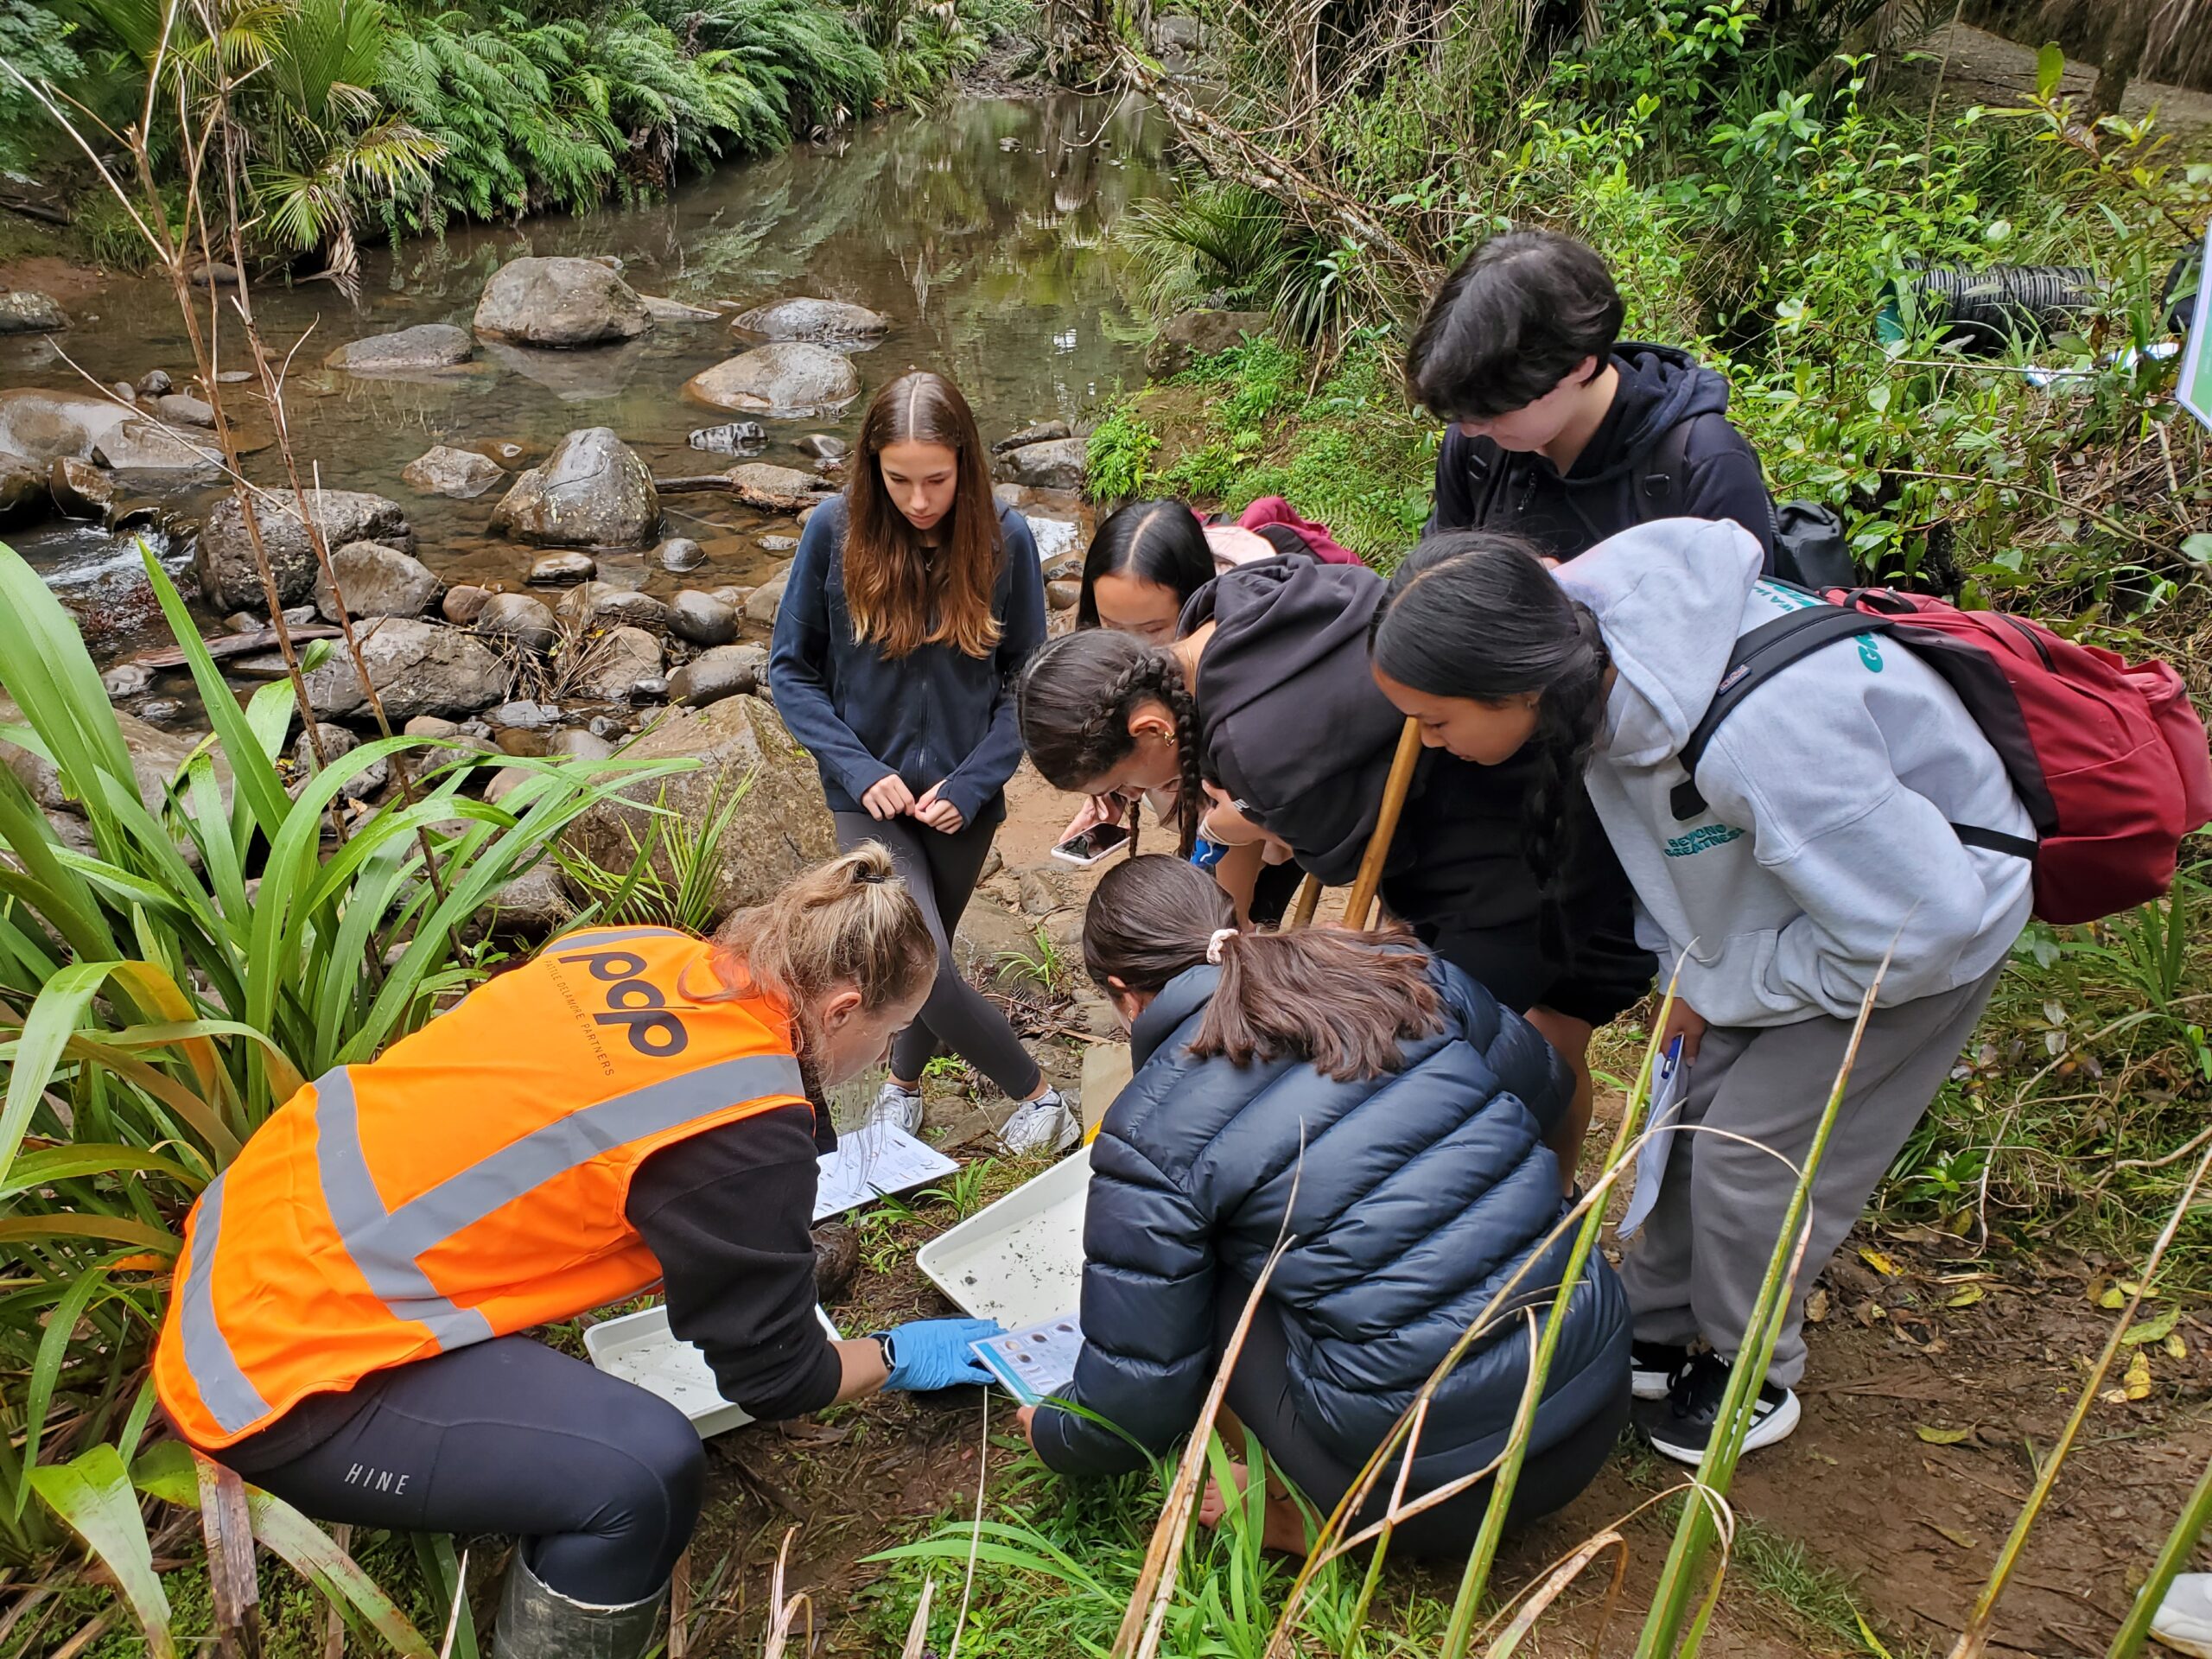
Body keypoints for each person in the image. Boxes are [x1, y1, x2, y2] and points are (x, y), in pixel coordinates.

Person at [153, 847, 1004, 1659]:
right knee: (643, 1479)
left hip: (255, 1233)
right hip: (278, 1377)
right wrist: (894, 1354)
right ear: (842, 1009)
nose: (880, 1060)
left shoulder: (644, 951)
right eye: (891, 1034)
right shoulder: (748, 1125)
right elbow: (778, 1380)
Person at [1368, 522, 2032, 1463]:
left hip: (1914, 940)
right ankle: (1655, 1319)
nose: (1426, 744)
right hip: (1796, 921)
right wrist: (1696, 975)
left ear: (1515, 683)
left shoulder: (1760, 733)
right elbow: (1673, 860)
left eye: (1435, 721)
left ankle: (1752, 1362)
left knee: (1751, 1159)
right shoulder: (1592, 662)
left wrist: (1735, 982)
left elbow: (1918, 932)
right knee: (1683, 1131)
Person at [1017, 856, 1630, 1556]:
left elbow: (1137, 1397)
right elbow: (1545, 1090)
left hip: (1426, 1495)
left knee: (1202, 1280)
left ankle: (1288, 1513)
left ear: (1127, 995)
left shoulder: (1151, 1127)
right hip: (1591, 1393)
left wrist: (1057, 1433)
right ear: (1235, 925)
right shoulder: (1394, 963)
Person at [1017, 556, 1654, 1184]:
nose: (1134, 801)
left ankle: (1530, 1204)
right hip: (1536, 786)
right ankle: (1553, 1191)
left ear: (1151, 727)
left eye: (1125, 784)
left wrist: (1245, 822)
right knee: (1550, 1034)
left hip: (1505, 859)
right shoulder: (1237, 599)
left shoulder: (1256, 753)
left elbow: (1337, 857)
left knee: (1483, 1053)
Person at [771, 369, 1074, 1155]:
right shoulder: (832, 533)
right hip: (863, 795)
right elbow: (791, 670)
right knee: (916, 958)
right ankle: (1042, 1098)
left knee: (928, 954)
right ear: (871, 466)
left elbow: (1026, 681)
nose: (918, 500)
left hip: (961, 799)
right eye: (898, 479)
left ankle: (901, 1089)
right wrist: (860, 768)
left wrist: (973, 784)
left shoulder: (1003, 538)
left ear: (966, 464)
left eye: (936, 479)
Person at [1408, 229, 1775, 563]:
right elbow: (1428, 588)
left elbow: (1749, 628)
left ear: (1579, 366)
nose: (1471, 428)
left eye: (1492, 411)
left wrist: (1564, 598)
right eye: (1460, 415)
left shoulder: (1701, 464)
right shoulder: (1478, 451)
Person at [1065, 498, 1314, 925]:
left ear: (1199, 604)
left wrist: (1226, 928)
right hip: (1225, 800)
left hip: (1263, 796)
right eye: (1111, 626)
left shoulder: (1241, 677)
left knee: (1236, 917)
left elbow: (1238, 819)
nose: (1132, 653)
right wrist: (1113, 782)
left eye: (1152, 631)